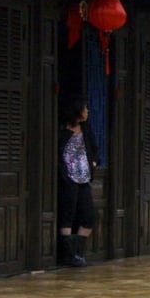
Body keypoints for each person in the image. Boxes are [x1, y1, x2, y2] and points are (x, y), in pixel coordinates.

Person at [57, 98, 98, 267]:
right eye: (85, 108)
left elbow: (94, 148)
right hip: (69, 178)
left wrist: (95, 161)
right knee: (68, 214)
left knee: (89, 216)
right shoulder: (62, 129)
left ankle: (78, 252)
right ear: (77, 111)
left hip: (84, 176)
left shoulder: (86, 128)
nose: (87, 111)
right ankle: (69, 255)